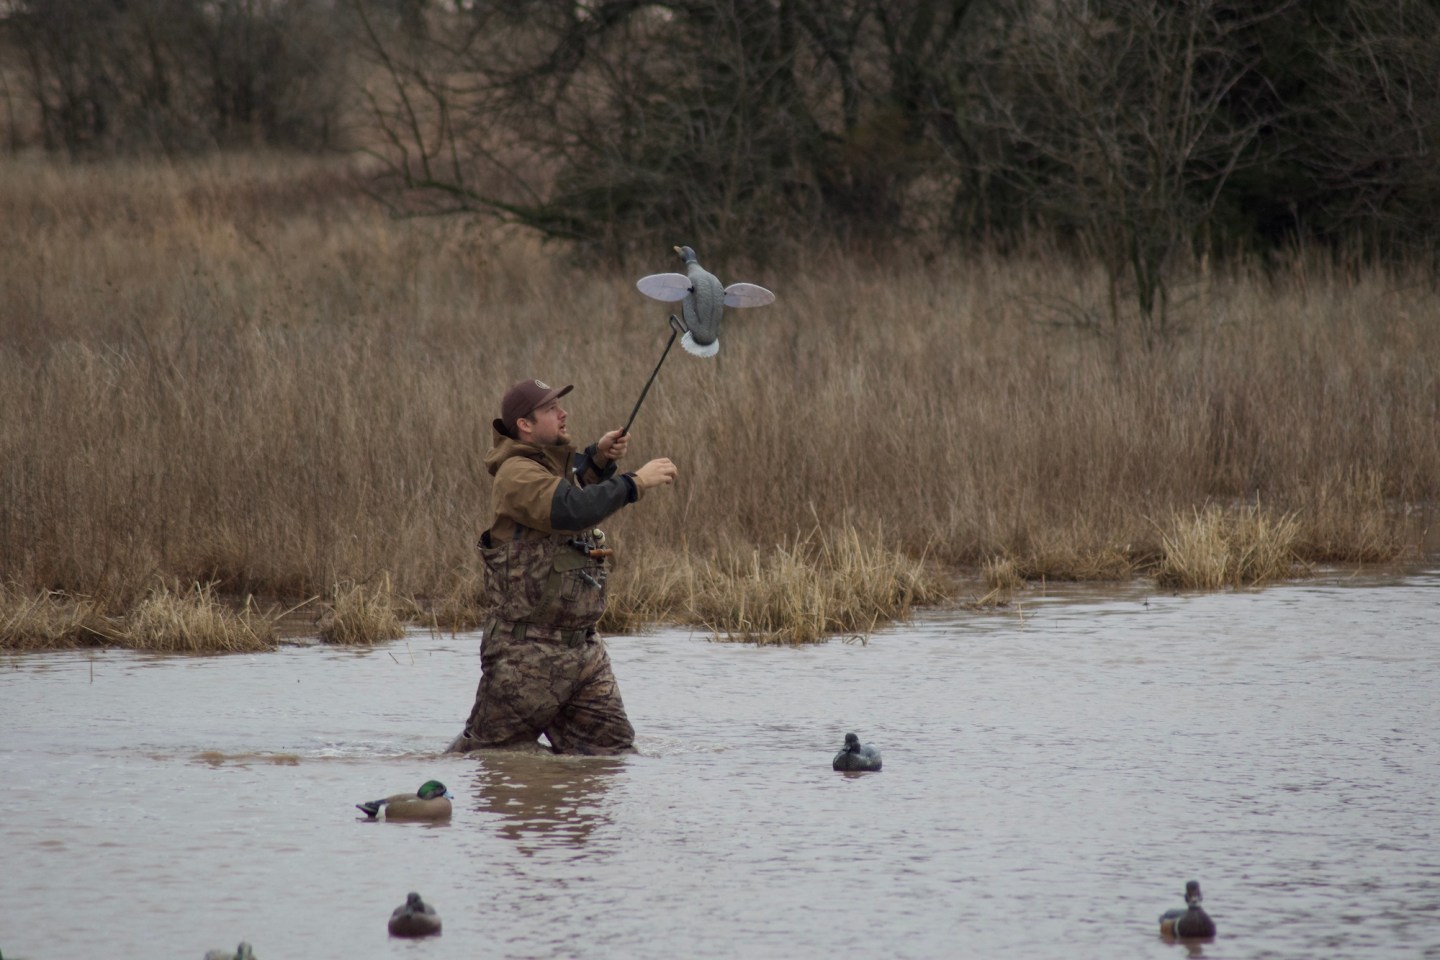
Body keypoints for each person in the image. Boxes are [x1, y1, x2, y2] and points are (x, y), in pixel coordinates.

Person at [447, 378, 677, 755]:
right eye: (551, 408)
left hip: (583, 654)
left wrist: (599, 458)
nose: (563, 412)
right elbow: (571, 509)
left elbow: (570, 484)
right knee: (490, 757)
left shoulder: (545, 467)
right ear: (525, 424)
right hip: (527, 655)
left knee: (612, 756)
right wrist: (634, 483)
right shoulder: (516, 474)